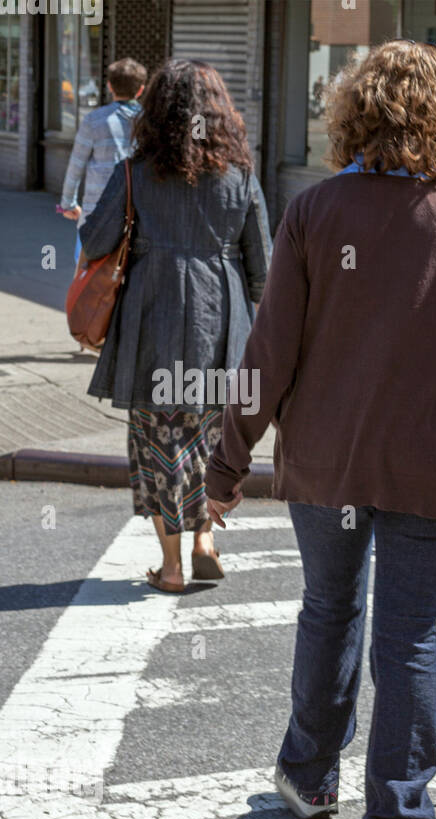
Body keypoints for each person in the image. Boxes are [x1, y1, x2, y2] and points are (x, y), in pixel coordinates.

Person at [204, 40, 436, 819]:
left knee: (328, 608)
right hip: (428, 463)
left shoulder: (314, 212)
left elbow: (268, 352)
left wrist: (228, 462)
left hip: (329, 458)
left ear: (353, 115)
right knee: (410, 635)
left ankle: (312, 777)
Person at [81, 59, 271, 594]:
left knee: (160, 440)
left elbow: (95, 241)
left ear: (155, 110)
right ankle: (205, 537)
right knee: (210, 436)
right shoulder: (242, 178)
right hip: (222, 323)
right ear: (219, 114)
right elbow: (264, 271)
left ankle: (170, 566)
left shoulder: (135, 171)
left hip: (153, 321)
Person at [59, 57, 146, 263]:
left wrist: (68, 204)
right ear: (141, 90)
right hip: (139, 213)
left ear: (109, 86)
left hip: (96, 214)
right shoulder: (150, 122)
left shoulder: (94, 120)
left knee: (88, 279)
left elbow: (76, 165)